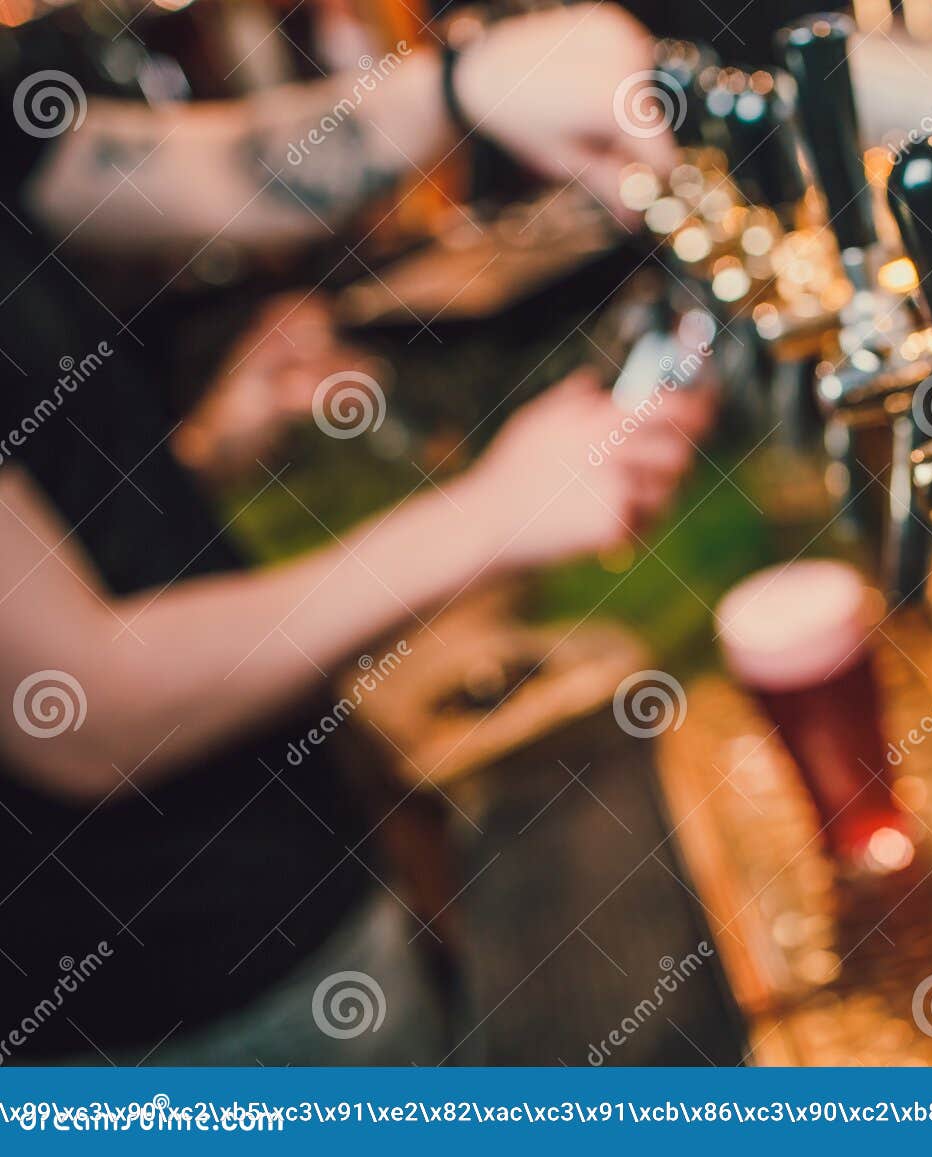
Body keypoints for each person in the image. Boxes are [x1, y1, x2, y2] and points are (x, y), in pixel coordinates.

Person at [0, 2, 711, 1063]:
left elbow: (224, 172)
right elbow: (72, 708)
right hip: (166, 1017)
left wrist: (471, 85)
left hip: (297, 882)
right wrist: (495, 510)